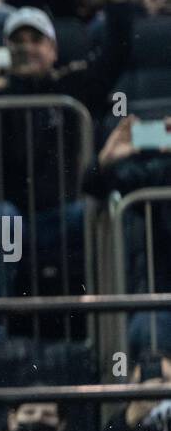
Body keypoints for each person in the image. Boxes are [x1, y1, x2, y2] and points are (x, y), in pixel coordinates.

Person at [0, 0, 133, 346]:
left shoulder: (71, 86)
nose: (28, 47)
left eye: (37, 40)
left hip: (63, 215)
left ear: (52, 49)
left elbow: (116, 58)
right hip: (12, 216)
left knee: (100, 215)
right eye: (19, 41)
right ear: (6, 49)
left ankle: (103, 337)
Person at [83, 115, 171, 357]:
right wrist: (106, 159)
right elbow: (95, 187)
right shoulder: (163, 172)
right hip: (165, 305)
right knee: (147, 329)